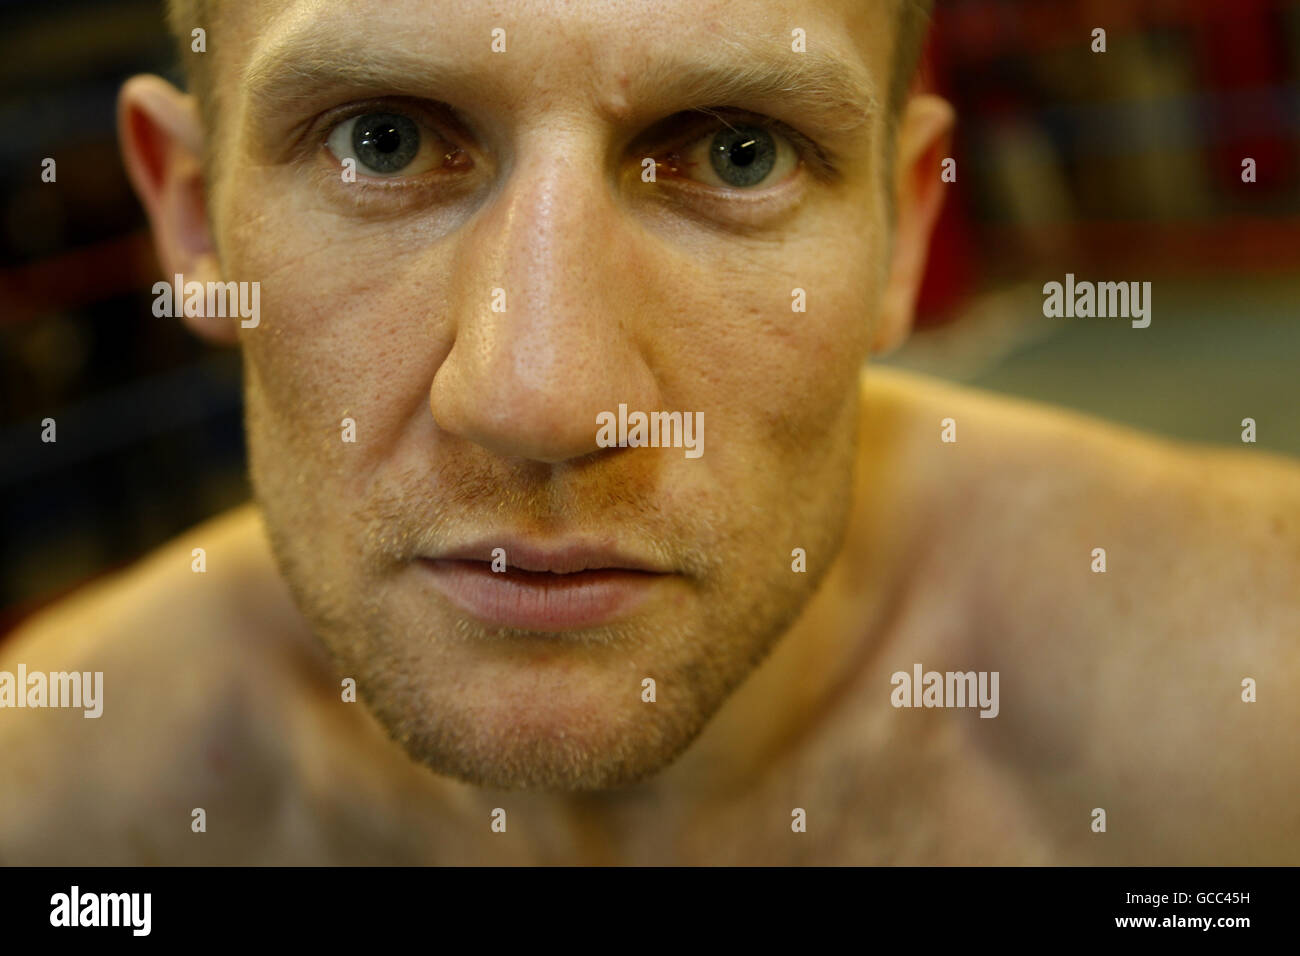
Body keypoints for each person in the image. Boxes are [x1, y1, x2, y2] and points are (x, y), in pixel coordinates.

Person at [1, 0, 1296, 865]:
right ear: (192, 218)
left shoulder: (1250, 720)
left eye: (738, 152)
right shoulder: (58, 801)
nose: (543, 403)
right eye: (379, 142)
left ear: (902, 233)